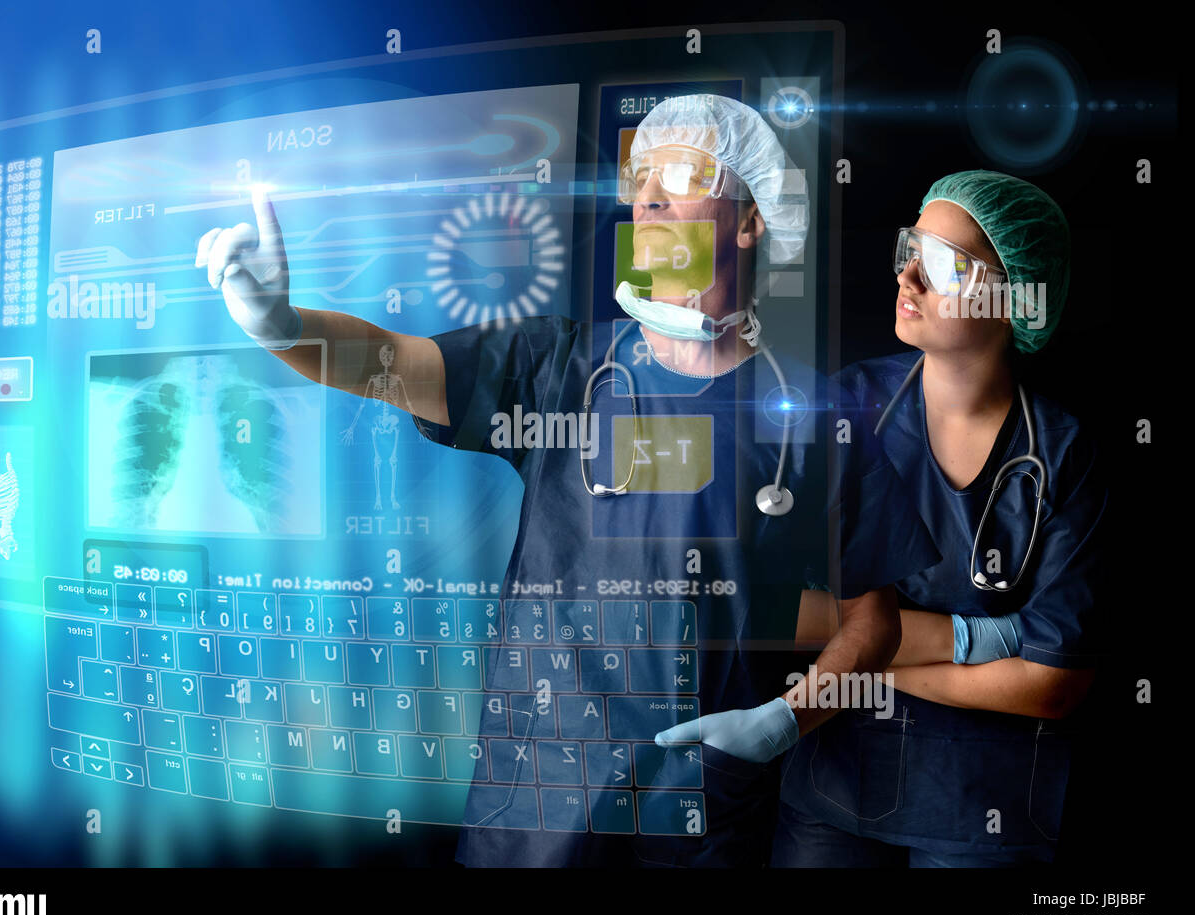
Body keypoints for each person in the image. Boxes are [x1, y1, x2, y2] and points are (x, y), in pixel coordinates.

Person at [195, 94, 940, 867]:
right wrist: (283, 327)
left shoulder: (812, 419)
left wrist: (785, 719)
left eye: (681, 174)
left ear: (751, 220)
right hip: (532, 812)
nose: (648, 195)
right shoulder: (561, 368)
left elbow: (873, 620)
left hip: (699, 818)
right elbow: (392, 363)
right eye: (641, 179)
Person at [772, 171, 1107, 867]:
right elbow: (784, 610)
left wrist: (862, 660)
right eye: (909, 248)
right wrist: (973, 638)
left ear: (1015, 296)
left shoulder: (1065, 453)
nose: (911, 277)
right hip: (838, 780)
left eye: (947, 263)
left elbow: (1052, 684)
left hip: (980, 804)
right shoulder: (848, 408)